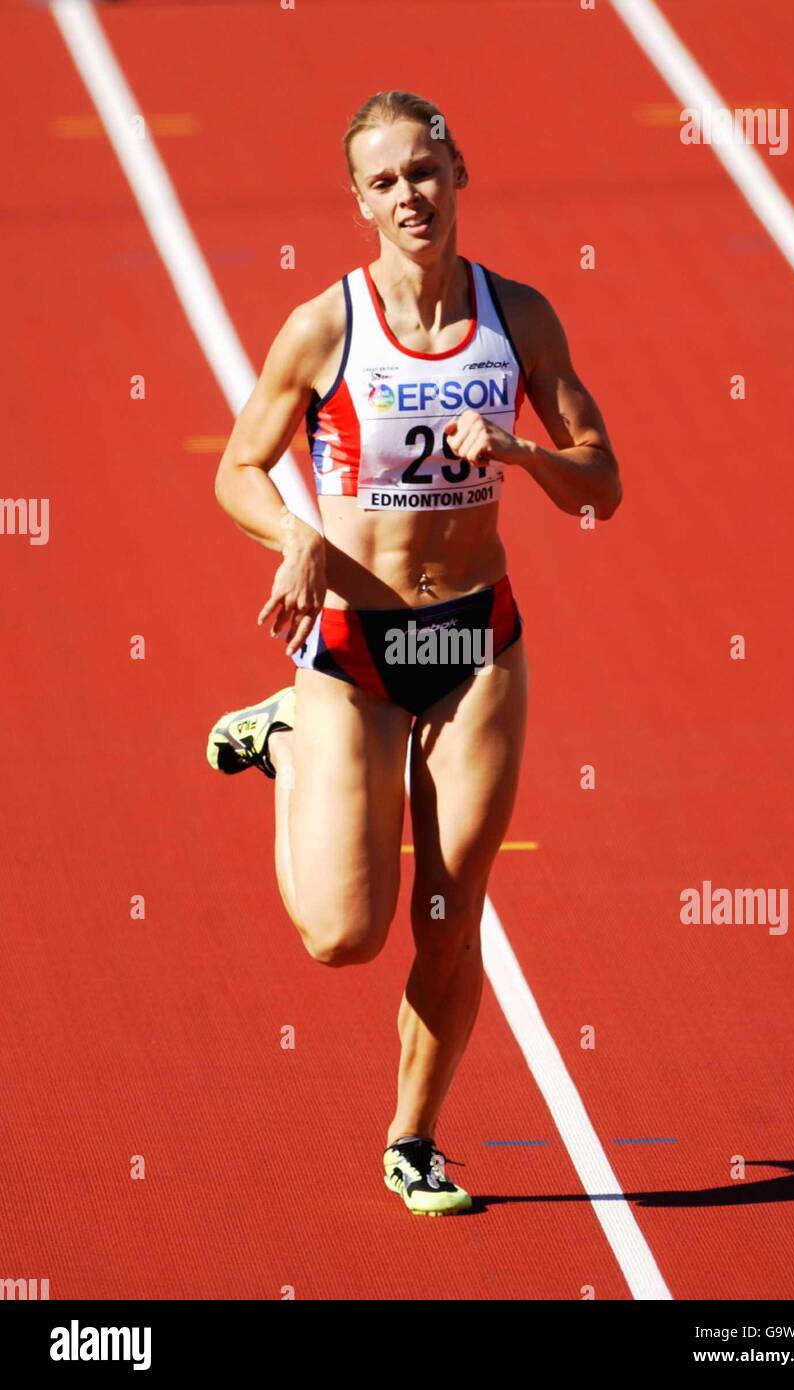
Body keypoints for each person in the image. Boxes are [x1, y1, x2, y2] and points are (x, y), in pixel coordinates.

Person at [207, 90, 622, 1215]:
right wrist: (293, 532)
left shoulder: (518, 318)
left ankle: (413, 1139)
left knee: (451, 916)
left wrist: (525, 453)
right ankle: (288, 737)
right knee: (342, 935)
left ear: (458, 173)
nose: (408, 196)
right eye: (383, 181)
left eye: (424, 172)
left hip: (473, 643)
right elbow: (236, 466)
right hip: (351, 646)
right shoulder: (324, 326)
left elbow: (605, 486)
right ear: (357, 203)